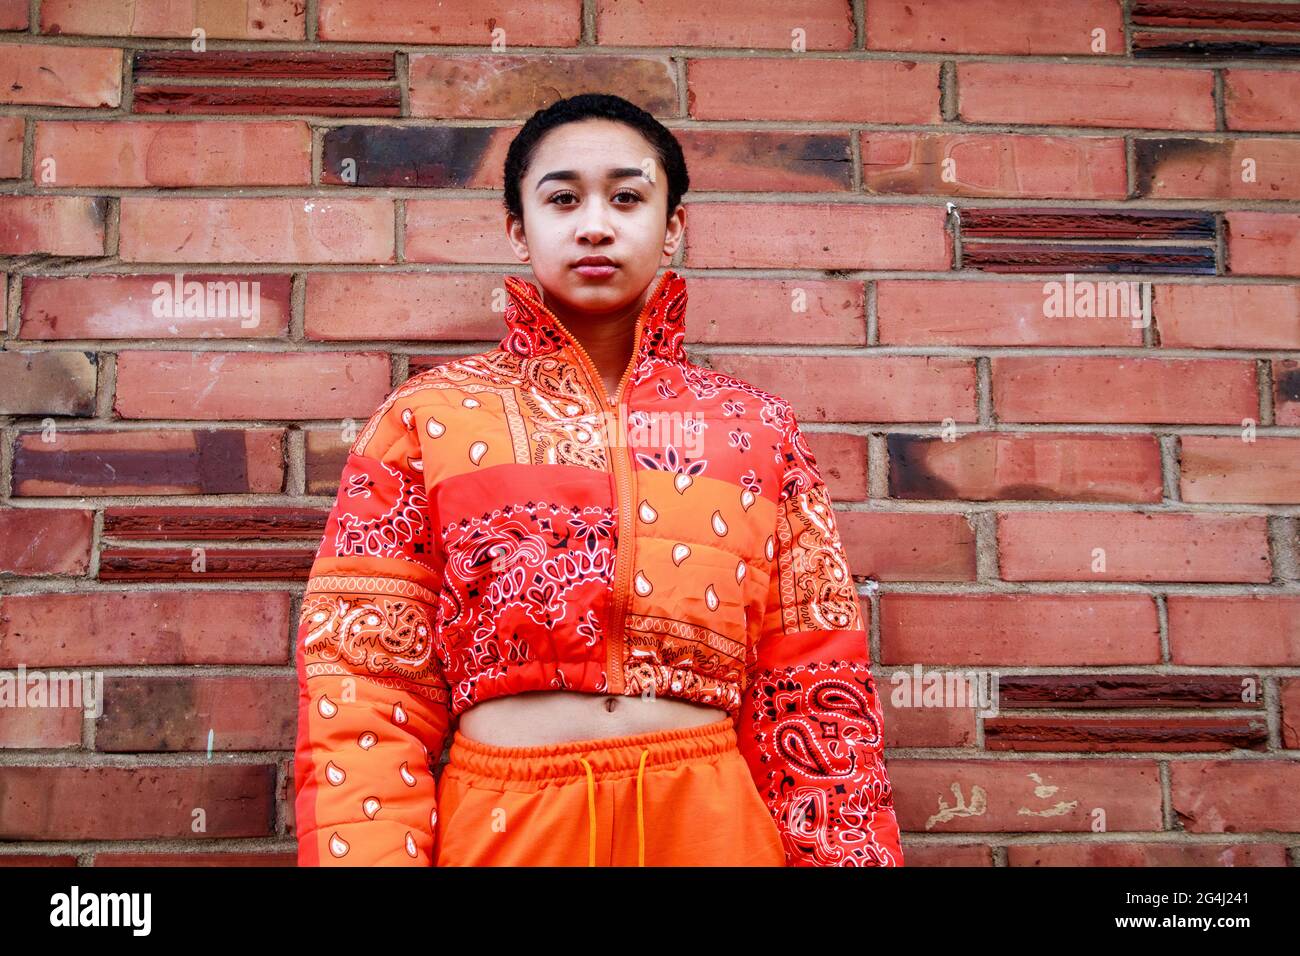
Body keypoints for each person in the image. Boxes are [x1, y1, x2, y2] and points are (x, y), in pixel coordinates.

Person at [293, 93, 903, 867]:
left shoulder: (757, 429)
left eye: (626, 196)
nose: (594, 224)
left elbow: (817, 689)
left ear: (673, 225)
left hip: (710, 827)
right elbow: (362, 685)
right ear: (518, 230)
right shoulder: (428, 418)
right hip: (510, 826)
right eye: (561, 198)